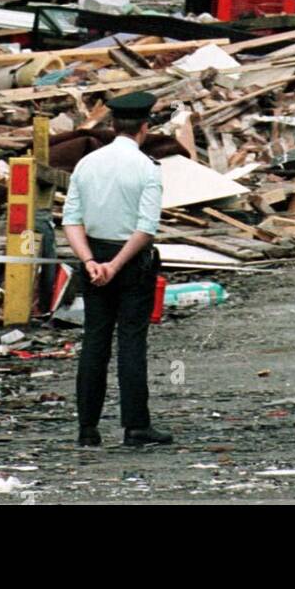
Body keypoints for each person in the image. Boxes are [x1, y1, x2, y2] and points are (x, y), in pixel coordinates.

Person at [61, 90, 171, 448]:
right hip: (130, 261)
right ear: (144, 127)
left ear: (110, 125)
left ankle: (87, 429)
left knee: (94, 341)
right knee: (131, 342)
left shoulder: (87, 164)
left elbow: (71, 220)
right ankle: (136, 426)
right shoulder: (147, 168)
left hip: (93, 259)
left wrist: (91, 262)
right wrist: (116, 264)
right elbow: (145, 229)